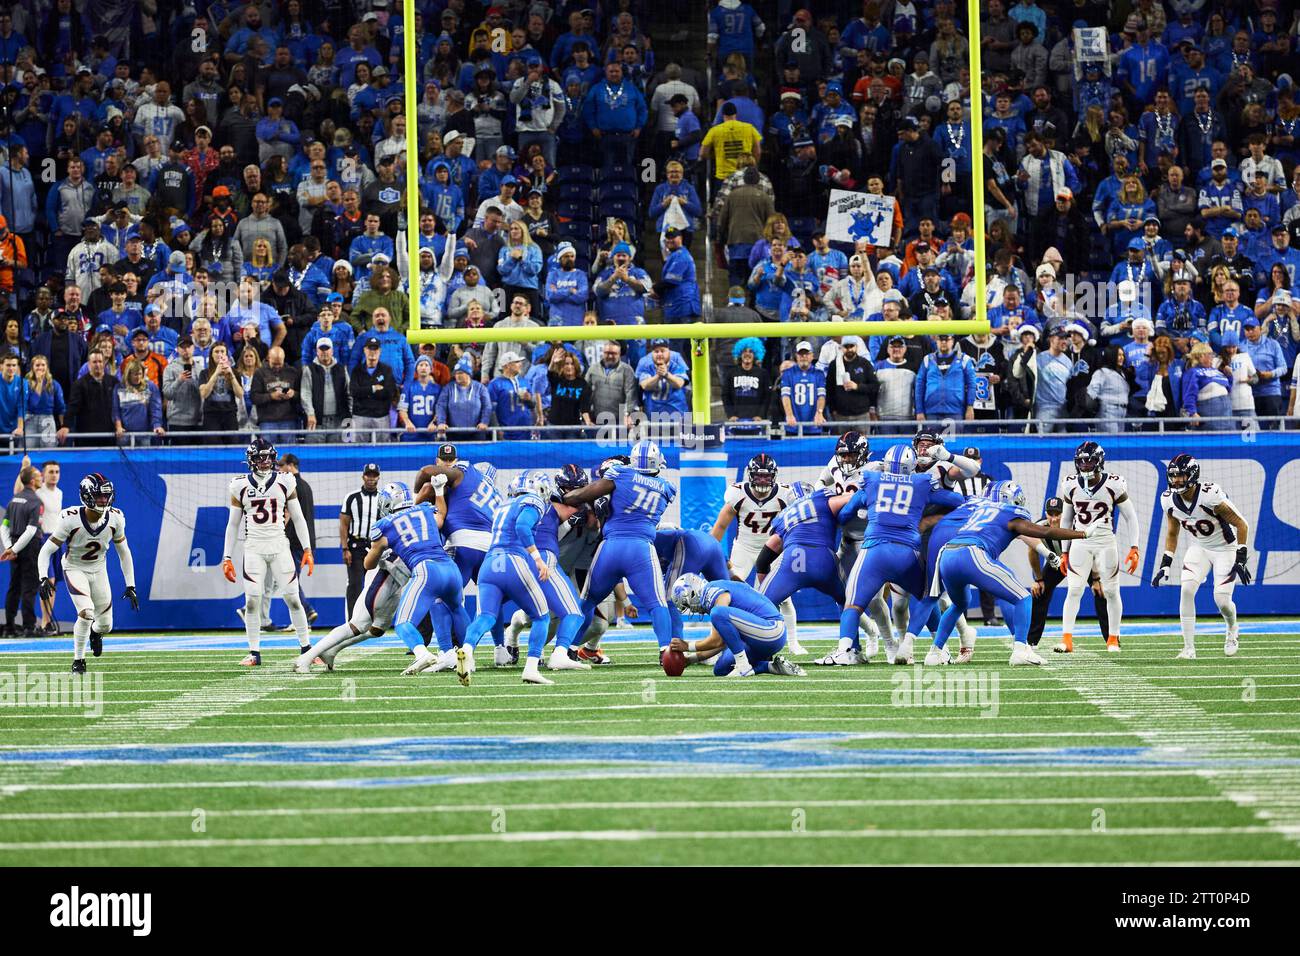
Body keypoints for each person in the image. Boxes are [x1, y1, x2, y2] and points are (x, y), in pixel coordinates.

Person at [924, 481, 1094, 667]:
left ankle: (935, 652)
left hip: (947, 554)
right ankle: (1021, 649)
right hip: (972, 553)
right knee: (1023, 597)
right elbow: (1046, 531)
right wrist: (1081, 534)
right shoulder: (1011, 514)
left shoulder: (980, 508)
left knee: (959, 604)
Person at [560, 441, 678, 656]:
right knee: (657, 604)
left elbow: (582, 495)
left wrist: (563, 496)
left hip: (611, 547)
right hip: (641, 549)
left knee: (586, 601)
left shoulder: (622, 474)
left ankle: (567, 648)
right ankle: (665, 651)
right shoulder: (667, 488)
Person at [221, 437, 314, 667]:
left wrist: (307, 548)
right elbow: (232, 524)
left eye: (268, 457)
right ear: (251, 460)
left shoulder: (285, 481)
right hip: (254, 547)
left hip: (279, 545)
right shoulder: (239, 485)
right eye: (260, 458)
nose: (265, 462)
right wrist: (227, 557)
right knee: (252, 601)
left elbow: (299, 517)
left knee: (293, 598)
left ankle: (308, 649)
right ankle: (254, 652)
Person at [1154, 455, 1252, 660]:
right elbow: (1172, 533)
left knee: (1222, 600)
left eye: (1180, 476)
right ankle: (1188, 648)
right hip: (1199, 547)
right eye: (1173, 476)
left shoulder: (1210, 495)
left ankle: (1232, 628)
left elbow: (1242, 524)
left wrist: (1241, 556)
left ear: (1192, 475)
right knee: (1187, 589)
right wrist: (1165, 564)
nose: (1176, 481)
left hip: (1225, 549)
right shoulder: (1168, 499)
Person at [38, 473, 138, 674]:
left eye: (105, 496)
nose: (103, 500)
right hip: (74, 568)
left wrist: (131, 584)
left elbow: (124, 552)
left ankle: (95, 632)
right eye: (99, 496)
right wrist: (42, 576)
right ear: (86, 495)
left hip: (99, 569)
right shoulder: (70, 519)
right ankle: (79, 660)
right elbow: (46, 550)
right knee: (86, 613)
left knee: (105, 625)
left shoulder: (116, 518)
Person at [1, 464, 43, 637]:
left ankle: (9, 627)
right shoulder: (36, 502)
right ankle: (28, 627)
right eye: (39, 475)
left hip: (14, 546)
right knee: (29, 588)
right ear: (33, 481)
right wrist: (15, 549)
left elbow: (4, 526)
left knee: (14, 587)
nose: (41, 477)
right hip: (29, 547)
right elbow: (31, 530)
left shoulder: (13, 500)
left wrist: (9, 547)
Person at [340, 463, 383, 615]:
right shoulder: (351, 497)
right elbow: (344, 524)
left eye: (374, 475)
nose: (371, 478)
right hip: (356, 546)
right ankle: (352, 621)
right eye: (368, 475)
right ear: (363, 476)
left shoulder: (383, 498)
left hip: (376, 547)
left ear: (378, 477)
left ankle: (372, 619)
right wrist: (345, 548)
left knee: (375, 585)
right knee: (355, 584)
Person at [350, 335, 399, 440]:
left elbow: (389, 392)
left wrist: (364, 392)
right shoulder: (357, 370)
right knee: (359, 451)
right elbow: (354, 392)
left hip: (381, 417)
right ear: (364, 350)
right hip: (360, 417)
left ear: (380, 351)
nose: (372, 352)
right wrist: (373, 388)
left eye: (375, 349)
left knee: (383, 452)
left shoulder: (387, 370)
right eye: (370, 348)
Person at [301, 338, 350, 441]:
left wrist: (350, 415)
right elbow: (305, 394)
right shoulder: (309, 369)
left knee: (338, 455)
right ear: (317, 351)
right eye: (321, 349)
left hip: (338, 421)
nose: (324, 352)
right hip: (316, 422)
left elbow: (350, 393)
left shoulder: (342, 369)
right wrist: (310, 414)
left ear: (332, 351)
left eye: (327, 349)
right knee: (314, 454)